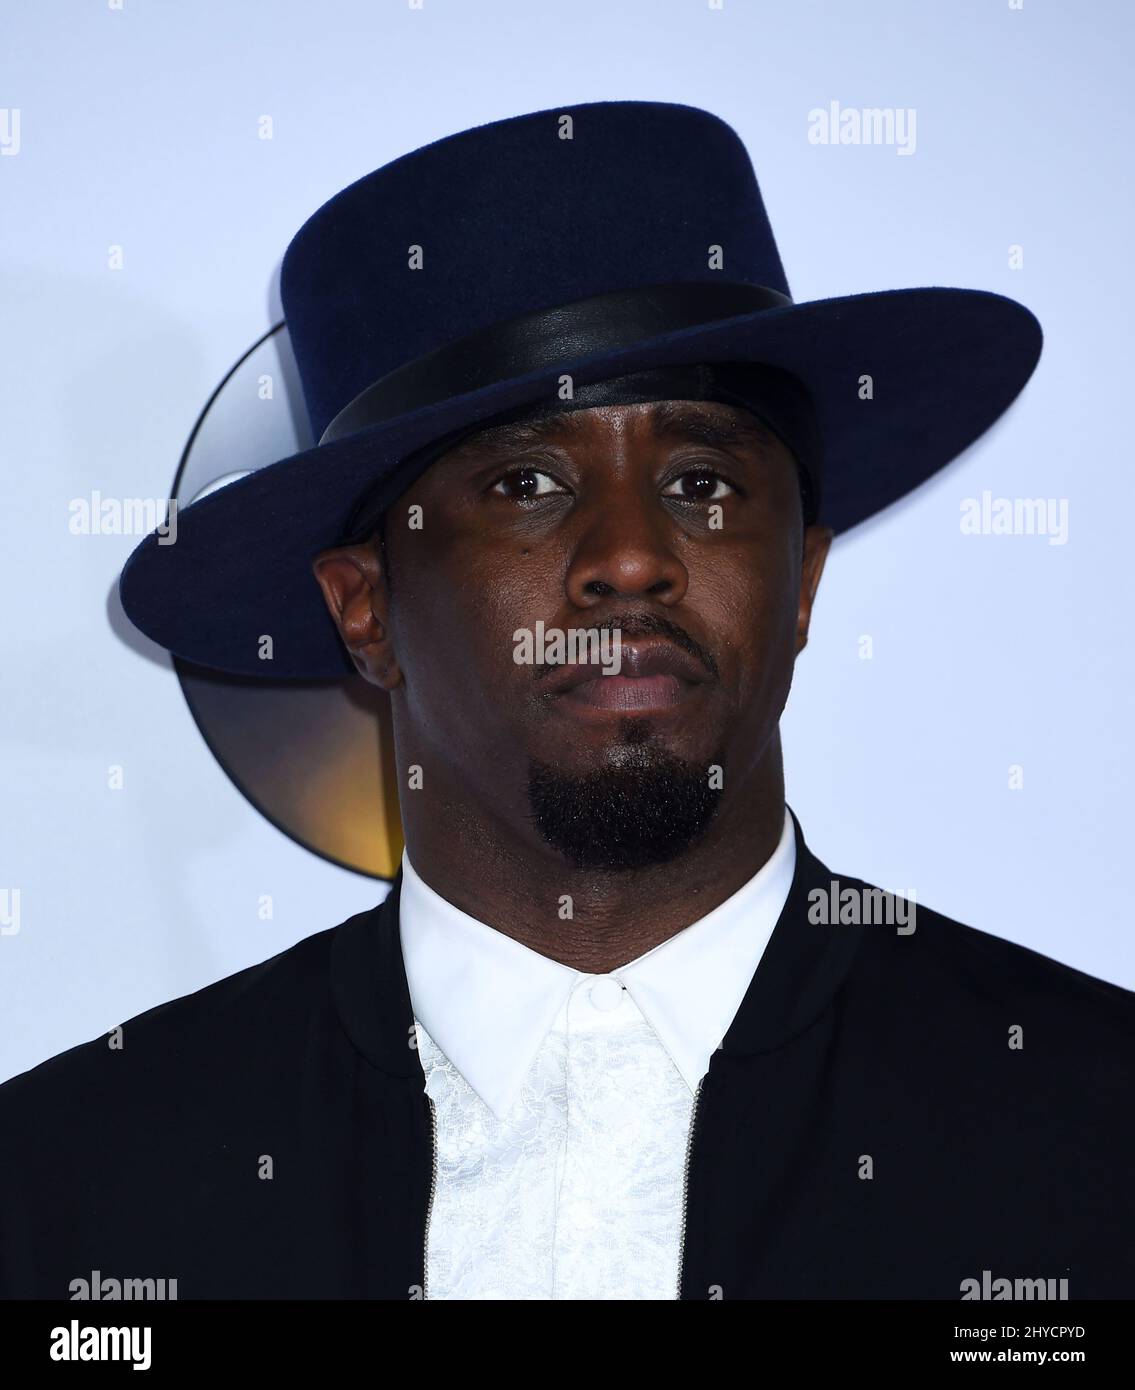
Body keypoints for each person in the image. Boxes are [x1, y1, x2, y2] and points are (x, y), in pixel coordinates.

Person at [2, 100, 1132, 1301]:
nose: (632, 558)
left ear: (800, 580)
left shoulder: (1097, 1137)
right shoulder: (73, 1194)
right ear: (365, 609)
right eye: (526, 479)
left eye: (701, 479)